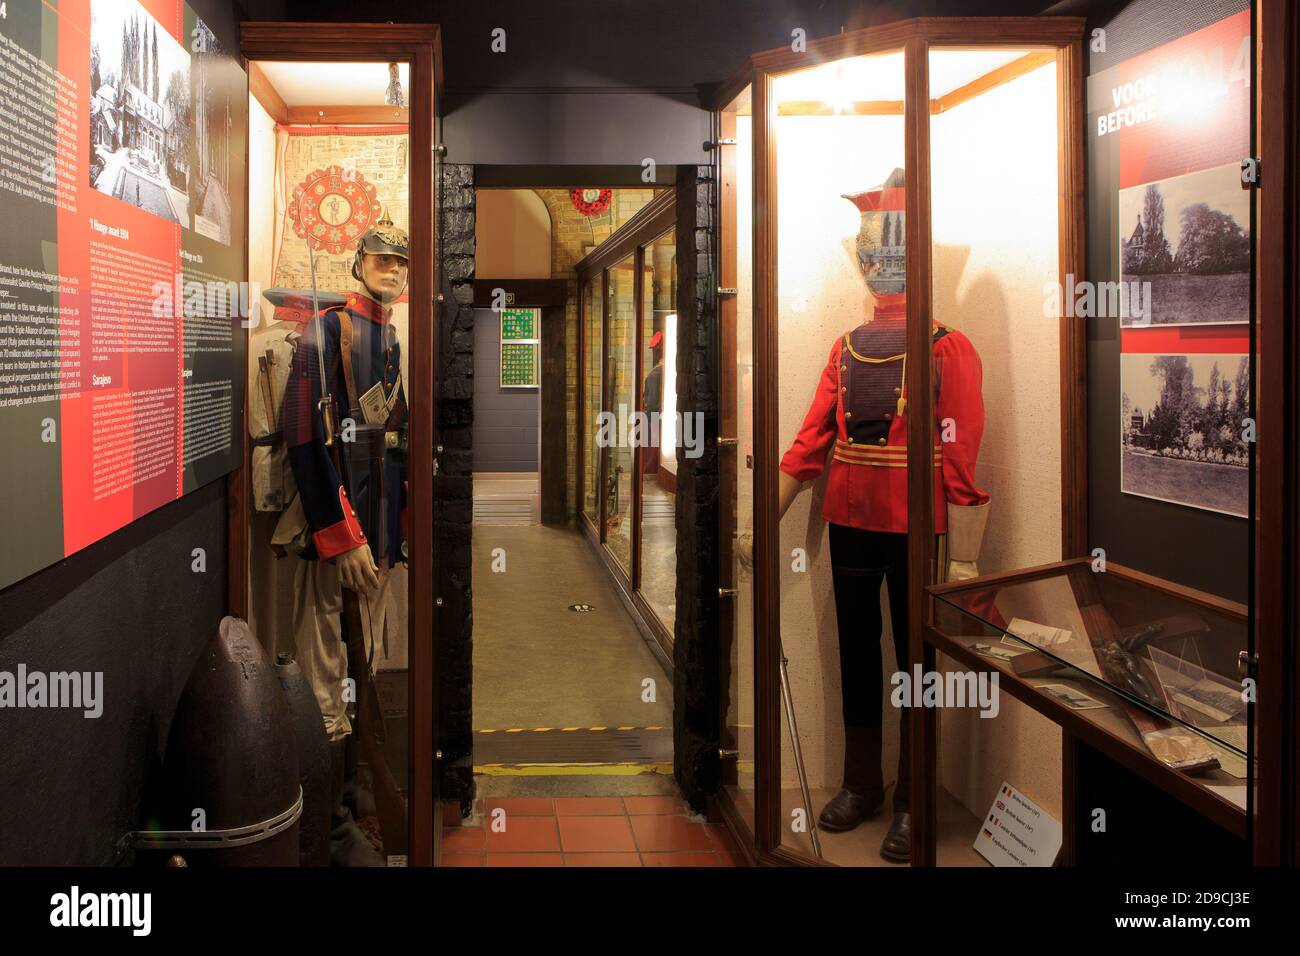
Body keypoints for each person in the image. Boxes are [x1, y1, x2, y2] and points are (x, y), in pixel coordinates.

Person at [775, 168, 990, 862]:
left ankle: (913, 797)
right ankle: (862, 781)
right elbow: (811, 441)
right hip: (850, 524)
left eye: (889, 252)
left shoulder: (946, 347)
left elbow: (960, 455)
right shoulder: (844, 347)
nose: (880, 266)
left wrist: (964, 558)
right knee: (858, 659)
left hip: (917, 532)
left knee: (917, 664)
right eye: (874, 253)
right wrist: (762, 520)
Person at [282, 211, 410, 865]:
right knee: (327, 684)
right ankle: (327, 830)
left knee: (363, 672)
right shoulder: (324, 332)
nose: (392, 269)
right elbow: (305, 440)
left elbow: (396, 445)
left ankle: (357, 810)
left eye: (401, 262)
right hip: (336, 546)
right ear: (359, 262)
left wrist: (395, 538)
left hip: (375, 547)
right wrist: (345, 537)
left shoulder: (389, 342)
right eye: (382, 258)